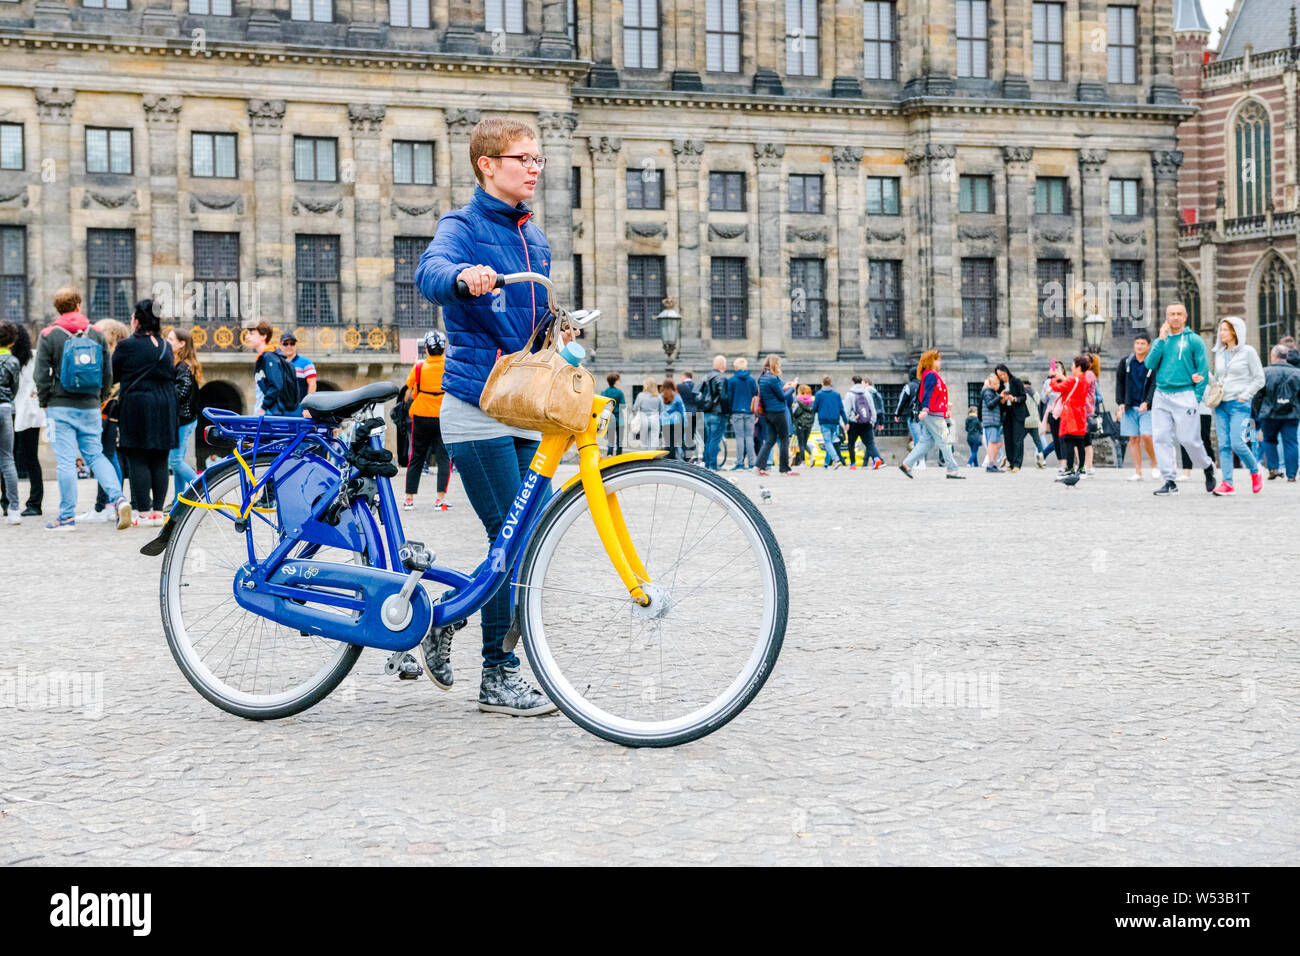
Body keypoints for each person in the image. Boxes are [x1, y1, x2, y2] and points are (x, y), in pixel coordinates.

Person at [413, 115, 560, 716]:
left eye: (538, 160)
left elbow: (530, 325)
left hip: (527, 408)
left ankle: (445, 616)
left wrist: (559, 329)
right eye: (522, 158)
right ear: (487, 165)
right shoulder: (463, 225)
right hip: (477, 411)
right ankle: (498, 675)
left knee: (522, 539)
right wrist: (461, 277)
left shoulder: (539, 240)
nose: (533, 168)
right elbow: (429, 273)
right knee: (514, 541)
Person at [34, 288, 130, 531]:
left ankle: (66, 517)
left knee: (66, 460)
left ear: (57, 308)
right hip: (90, 405)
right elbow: (107, 371)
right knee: (96, 455)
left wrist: (45, 401)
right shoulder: (96, 332)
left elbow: (40, 375)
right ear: (78, 305)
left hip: (59, 405)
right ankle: (118, 499)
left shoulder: (49, 334)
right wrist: (101, 397)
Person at [113, 299, 178, 526]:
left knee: (137, 456)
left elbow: (113, 374)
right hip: (165, 404)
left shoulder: (126, 345)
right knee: (160, 458)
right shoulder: (165, 346)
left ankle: (142, 511)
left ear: (137, 321)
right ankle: (158, 513)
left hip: (137, 404)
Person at [1145, 302, 1216, 496]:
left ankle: (1207, 466)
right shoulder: (1163, 340)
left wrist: (1197, 397)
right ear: (1167, 317)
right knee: (1160, 438)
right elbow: (1149, 364)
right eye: (1171, 314)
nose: (1175, 317)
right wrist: (1160, 339)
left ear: (1185, 317)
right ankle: (1169, 480)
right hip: (1162, 394)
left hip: (1185, 394)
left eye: (1178, 314)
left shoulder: (1194, 340)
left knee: (1189, 440)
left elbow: (1202, 370)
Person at [1208, 316, 1265, 496]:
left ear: (1235, 331)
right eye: (1221, 329)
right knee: (1223, 444)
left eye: (1225, 329)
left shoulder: (1248, 352)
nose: (1221, 332)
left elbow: (1259, 378)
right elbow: (1218, 379)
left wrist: (1245, 395)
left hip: (1239, 404)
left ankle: (1255, 472)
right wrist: (1204, 378)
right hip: (1221, 404)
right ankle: (1227, 483)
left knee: (1237, 442)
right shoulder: (1219, 353)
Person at [81, 319, 130, 523]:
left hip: (105, 412)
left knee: (105, 458)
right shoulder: (123, 357)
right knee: (109, 457)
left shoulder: (109, 358)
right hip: (113, 413)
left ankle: (108, 505)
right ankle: (111, 504)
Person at [403, 329, 452, 512]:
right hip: (443, 415)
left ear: (426, 349)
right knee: (443, 458)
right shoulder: (449, 365)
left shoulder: (418, 367)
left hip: (422, 415)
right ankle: (440, 499)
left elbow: (409, 390)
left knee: (416, 456)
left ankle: (409, 499)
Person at [899, 350, 963, 479]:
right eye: (938, 359)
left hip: (933, 413)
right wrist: (925, 409)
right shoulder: (931, 375)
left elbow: (934, 395)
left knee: (926, 443)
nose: (940, 362)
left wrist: (944, 410)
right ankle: (952, 470)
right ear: (931, 361)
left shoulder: (930, 375)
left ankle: (907, 464)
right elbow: (927, 394)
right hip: (933, 414)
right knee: (945, 441)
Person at [5, 324, 43, 516]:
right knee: (29, 459)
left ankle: (8, 502)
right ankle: (33, 503)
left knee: (10, 458)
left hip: (22, 412)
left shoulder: (14, 359)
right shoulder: (33, 357)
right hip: (25, 413)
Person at [1254, 343, 1300, 481]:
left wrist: (1259, 411)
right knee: (1291, 442)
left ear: (1273, 356)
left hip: (1269, 414)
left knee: (1269, 440)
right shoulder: (1297, 373)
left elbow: (1257, 395)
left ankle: (1273, 469)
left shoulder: (1264, 372)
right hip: (1291, 414)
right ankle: (1291, 475)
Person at [167, 327, 203, 504]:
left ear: (182, 344)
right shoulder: (185, 365)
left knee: (174, 461)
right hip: (186, 419)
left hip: (183, 419)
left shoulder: (183, 367)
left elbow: (181, 393)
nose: (168, 341)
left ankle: (203, 489)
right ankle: (178, 501)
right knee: (178, 461)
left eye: (171, 339)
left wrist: (165, 392)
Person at [1115, 333, 1156, 481]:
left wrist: (1148, 402)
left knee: (1147, 436)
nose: (1139, 346)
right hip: (1129, 405)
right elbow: (1120, 383)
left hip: (1146, 407)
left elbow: (1154, 384)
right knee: (1133, 439)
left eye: (1142, 344)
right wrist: (1120, 403)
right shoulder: (1126, 362)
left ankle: (1154, 462)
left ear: (1148, 346)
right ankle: (1138, 472)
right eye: (1137, 343)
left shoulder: (1152, 363)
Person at [1050, 355, 1092, 480]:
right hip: (1080, 414)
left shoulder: (1073, 380)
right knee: (1080, 442)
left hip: (1070, 415)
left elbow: (1056, 387)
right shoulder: (1084, 380)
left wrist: (1053, 377)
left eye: (1073, 365)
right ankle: (1081, 468)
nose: (1072, 367)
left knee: (1068, 441)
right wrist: (1062, 377)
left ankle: (1069, 468)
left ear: (1078, 367)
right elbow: (1070, 384)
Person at [755, 354, 797, 476]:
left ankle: (759, 466)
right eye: (778, 363)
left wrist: (785, 387)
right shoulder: (773, 378)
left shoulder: (762, 377)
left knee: (770, 440)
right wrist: (792, 388)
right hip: (778, 412)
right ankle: (784, 469)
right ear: (775, 364)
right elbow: (782, 397)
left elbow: (773, 392)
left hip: (767, 413)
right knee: (784, 439)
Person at [245, 320, 298, 417]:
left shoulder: (269, 357)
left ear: (263, 336)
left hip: (269, 413)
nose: (247, 336)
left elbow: (276, 385)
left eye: (251, 334)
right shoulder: (264, 356)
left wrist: (263, 407)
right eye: (247, 333)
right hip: (265, 412)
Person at [0, 322, 21, 523]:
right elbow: (15, 388)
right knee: (7, 460)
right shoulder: (13, 361)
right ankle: (14, 510)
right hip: (5, 409)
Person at [697, 355, 729, 470]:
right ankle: (713, 465)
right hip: (718, 413)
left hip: (706, 413)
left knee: (709, 439)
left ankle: (706, 463)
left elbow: (696, 393)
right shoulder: (721, 378)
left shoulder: (705, 377)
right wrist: (727, 412)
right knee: (714, 439)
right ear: (722, 365)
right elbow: (724, 397)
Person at [843, 375, 883, 469]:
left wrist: (847, 422)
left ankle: (853, 464)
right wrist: (872, 420)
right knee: (869, 443)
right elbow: (872, 408)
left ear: (852, 382)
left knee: (851, 443)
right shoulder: (867, 393)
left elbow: (847, 411)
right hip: (867, 422)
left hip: (854, 423)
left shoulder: (849, 394)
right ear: (861, 382)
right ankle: (876, 458)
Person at [995, 363, 1029, 472]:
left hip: (1018, 413)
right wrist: (1003, 400)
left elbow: (1023, 397)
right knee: (1008, 439)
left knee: (1017, 439)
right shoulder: (1000, 385)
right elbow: (999, 402)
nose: (1002, 377)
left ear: (1007, 372)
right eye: (999, 376)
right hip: (1007, 414)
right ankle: (1010, 462)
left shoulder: (1016, 381)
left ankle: (1017, 464)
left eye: (1003, 374)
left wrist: (1014, 399)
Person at [727, 356, 757, 469]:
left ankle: (739, 463)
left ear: (735, 367)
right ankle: (751, 463)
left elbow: (729, 398)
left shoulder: (732, 381)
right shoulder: (752, 380)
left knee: (739, 437)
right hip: (750, 412)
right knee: (749, 437)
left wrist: (730, 412)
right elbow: (755, 396)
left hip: (736, 411)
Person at [895, 368, 928, 468]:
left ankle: (921, 462)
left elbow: (902, 401)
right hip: (925, 416)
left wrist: (897, 414)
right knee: (924, 439)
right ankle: (920, 461)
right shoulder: (925, 386)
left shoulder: (909, 386)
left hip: (913, 416)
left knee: (918, 439)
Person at [811, 376, 847, 468]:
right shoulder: (836, 395)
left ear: (822, 383)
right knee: (830, 441)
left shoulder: (819, 394)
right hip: (835, 422)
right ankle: (826, 463)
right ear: (830, 383)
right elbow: (841, 409)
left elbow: (814, 408)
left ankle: (836, 459)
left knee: (827, 442)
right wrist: (846, 422)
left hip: (824, 421)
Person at [279, 333, 317, 410]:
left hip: (299, 408)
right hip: (280, 408)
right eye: (285, 344)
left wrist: (307, 406)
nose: (289, 346)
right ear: (280, 346)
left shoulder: (306, 363)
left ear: (296, 345)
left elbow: (312, 384)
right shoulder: (277, 363)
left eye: (292, 343)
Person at [979, 372, 1004, 472]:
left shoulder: (993, 393)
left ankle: (992, 463)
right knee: (992, 443)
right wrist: (999, 397)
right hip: (990, 421)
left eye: (997, 384)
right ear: (990, 383)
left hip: (995, 421)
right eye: (994, 384)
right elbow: (990, 405)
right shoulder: (987, 392)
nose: (997, 386)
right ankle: (990, 464)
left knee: (998, 443)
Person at [631, 376, 662, 451]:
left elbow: (634, 409)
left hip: (643, 419)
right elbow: (661, 410)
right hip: (654, 419)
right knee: (654, 441)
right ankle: (651, 460)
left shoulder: (640, 395)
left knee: (643, 441)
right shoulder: (659, 397)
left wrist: (636, 416)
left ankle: (644, 459)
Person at [1021, 379, 1047, 467]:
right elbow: (1040, 406)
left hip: (1025, 421)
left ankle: (1015, 461)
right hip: (1034, 421)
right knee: (1038, 443)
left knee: (1018, 441)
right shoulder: (1035, 393)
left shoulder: (1022, 394)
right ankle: (1042, 460)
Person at [660, 377, 686, 461]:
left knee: (668, 443)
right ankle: (675, 459)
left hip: (665, 422)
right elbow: (683, 411)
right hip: (676, 422)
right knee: (675, 442)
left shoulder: (660, 397)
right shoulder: (677, 397)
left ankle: (668, 459)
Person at [600, 372, 625, 457]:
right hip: (619, 418)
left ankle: (610, 454)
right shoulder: (619, 393)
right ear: (615, 381)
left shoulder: (604, 392)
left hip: (609, 418)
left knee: (610, 439)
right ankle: (619, 456)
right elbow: (623, 405)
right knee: (619, 440)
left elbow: (602, 405)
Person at [677, 370, 699, 462]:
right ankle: (691, 455)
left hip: (685, 414)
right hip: (695, 413)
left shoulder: (680, 386)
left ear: (684, 376)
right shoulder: (696, 386)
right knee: (691, 435)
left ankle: (686, 456)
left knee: (683, 435)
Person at [792, 384, 815, 466]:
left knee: (801, 443)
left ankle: (803, 462)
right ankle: (811, 456)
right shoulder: (812, 402)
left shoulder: (798, 402)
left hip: (800, 424)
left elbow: (795, 413)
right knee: (804, 443)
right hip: (809, 425)